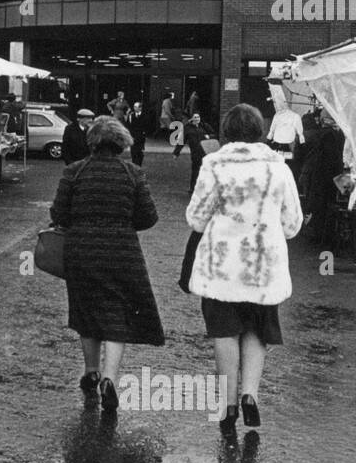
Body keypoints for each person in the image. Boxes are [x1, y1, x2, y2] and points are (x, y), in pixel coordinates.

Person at [186, 104, 303, 436]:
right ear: (260, 130)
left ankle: (228, 404)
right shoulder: (279, 169)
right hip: (263, 270)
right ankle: (250, 393)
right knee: (256, 330)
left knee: (225, 332)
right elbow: (293, 224)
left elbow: (195, 219)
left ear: (226, 132)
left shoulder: (214, 166)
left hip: (220, 267)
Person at [50, 116, 164, 412]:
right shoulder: (133, 173)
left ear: (92, 141)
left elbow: (59, 215)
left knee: (86, 312)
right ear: (121, 142)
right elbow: (149, 217)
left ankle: (90, 373)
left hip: (81, 251)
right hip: (122, 252)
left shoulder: (74, 172)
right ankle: (110, 380)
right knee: (117, 314)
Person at [303, 111, 346, 248]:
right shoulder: (338, 135)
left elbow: (321, 157)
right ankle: (325, 237)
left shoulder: (321, 135)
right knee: (328, 206)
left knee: (318, 206)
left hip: (319, 175)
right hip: (333, 175)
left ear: (322, 120)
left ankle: (319, 236)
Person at [174, 112, 218, 192]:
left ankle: (207, 188)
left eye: (198, 117)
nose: (197, 118)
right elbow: (181, 141)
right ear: (191, 118)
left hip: (205, 151)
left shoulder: (204, 126)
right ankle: (193, 188)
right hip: (195, 152)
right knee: (196, 170)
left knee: (206, 169)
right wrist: (176, 153)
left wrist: (209, 136)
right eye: (195, 117)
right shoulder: (187, 128)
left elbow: (214, 134)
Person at [128, 100, 154, 166]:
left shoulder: (145, 116)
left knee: (139, 152)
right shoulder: (131, 116)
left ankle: (139, 165)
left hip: (141, 136)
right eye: (134, 107)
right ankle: (134, 165)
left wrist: (145, 133)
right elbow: (129, 125)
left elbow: (148, 125)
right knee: (133, 152)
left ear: (140, 108)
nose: (135, 108)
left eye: (136, 107)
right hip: (133, 136)